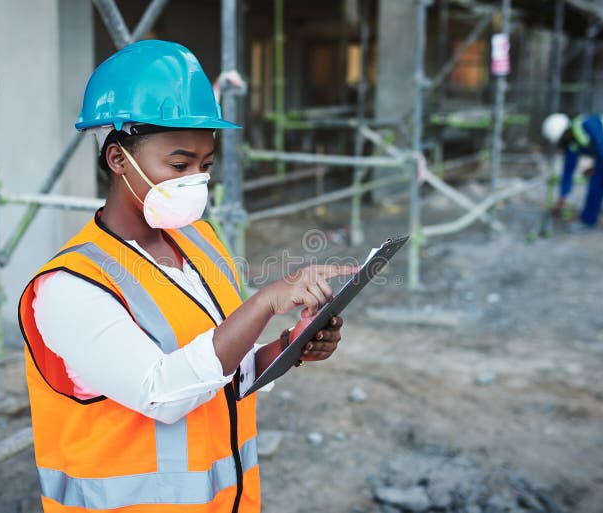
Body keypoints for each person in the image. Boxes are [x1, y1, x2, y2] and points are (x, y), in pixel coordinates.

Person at [18, 40, 356, 513]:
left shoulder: (199, 241)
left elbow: (219, 368)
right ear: (118, 159)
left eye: (205, 165)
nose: (195, 181)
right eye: (178, 165)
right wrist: (262, 303)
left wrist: (288, 347)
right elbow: (162, 393)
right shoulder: (70, 285)